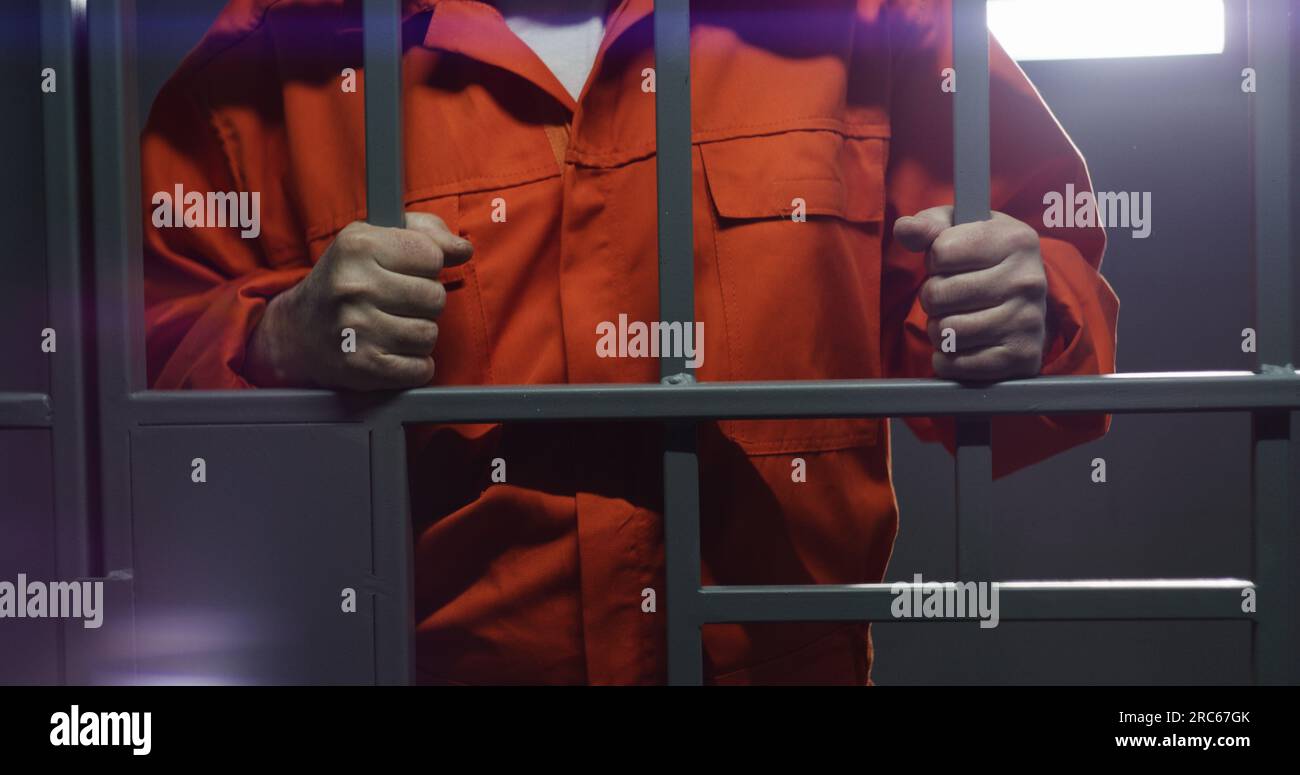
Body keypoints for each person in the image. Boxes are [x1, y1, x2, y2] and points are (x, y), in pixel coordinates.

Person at [142, 0, 1119, 684]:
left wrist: (1021, 315)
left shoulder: (868, 17)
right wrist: (274, 340)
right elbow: (138, 370)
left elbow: (1041, 268)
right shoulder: (282, 54)